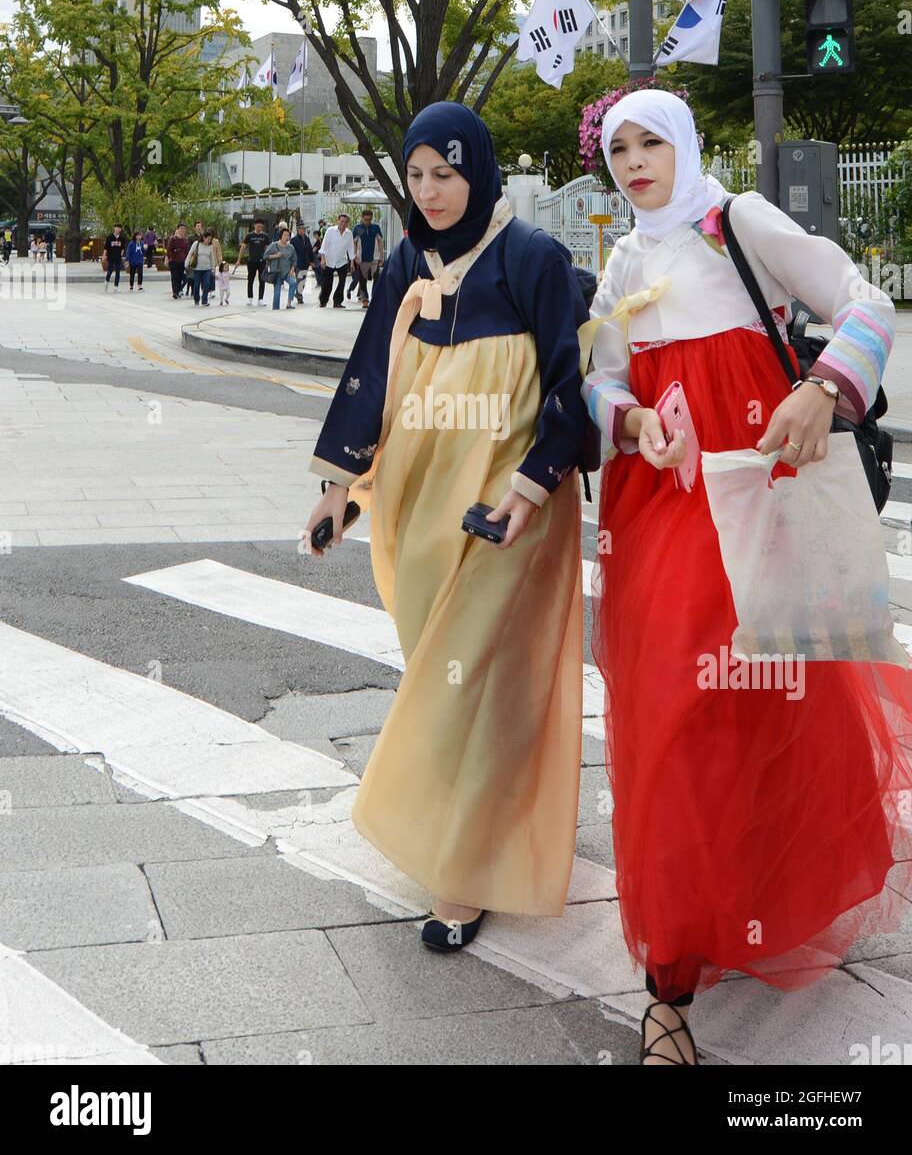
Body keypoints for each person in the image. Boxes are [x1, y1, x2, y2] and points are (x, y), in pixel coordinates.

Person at [583, 88, 912, 1066]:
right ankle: (669, 979)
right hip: (661, 512)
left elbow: (867, 298)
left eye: (652, 142)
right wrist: (632, 420)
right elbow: (597, 374)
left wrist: (823, 388)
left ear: (684, 145)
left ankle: (754, 899)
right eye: (620, 147)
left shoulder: (737, 221)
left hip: (758, 491)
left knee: (774, 706)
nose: (635, 161)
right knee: (670, 716)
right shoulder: (625, 257)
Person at [303, 101, 590, 953]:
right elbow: (370, 380)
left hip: (512, 512)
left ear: (481, 171)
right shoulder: (405, 264)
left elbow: (573, 389)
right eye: (417, 174)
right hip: (422, 507)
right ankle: (462, 826)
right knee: (442, 672)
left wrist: (534, 484)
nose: (430, 191)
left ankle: (462, 873)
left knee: (485, 680)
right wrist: (341, 491)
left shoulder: (534, 260)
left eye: (447, 172)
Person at [318, 212, 355, 308]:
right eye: (342, 221)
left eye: (345, 222)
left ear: (348, 223)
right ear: (338, 221)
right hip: (329, 260)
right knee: (327, 283)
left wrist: (352, 263)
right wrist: (322, 259)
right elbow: (324, 245)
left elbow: (351, 248)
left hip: (342, 261)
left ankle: (337, 301)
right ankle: (323, 301)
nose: (343, 224)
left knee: (342, 282)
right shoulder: (330, 231)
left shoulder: (349, 233)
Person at [354, 208, 384, 309]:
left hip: (374, 258)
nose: (368, 221)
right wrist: (355, 257)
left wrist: (381, 256)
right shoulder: (357, 228)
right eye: (366, 219)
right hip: (362, 258)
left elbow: (380, 242)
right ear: (362, 218)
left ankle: (375, 298)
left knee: (377, 278)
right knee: (363, 280)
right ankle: (364, 299)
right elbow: (354, 243)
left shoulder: (375, 227)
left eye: (369, 219)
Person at [237, 217, 270, 307]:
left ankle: (260, 299)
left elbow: (267, 249)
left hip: (262, 262)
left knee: (262, 280)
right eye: (258, 226)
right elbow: (243, 248)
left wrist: (268, 261)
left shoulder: (265, 236)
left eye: (261, 227)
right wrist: (239, 260)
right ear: (255, 225)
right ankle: (250, 298)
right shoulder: (249, 236)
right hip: (251, 261)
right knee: (250, 280)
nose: (259, 228)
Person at [185, 229, 222, 306]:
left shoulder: (210, 246)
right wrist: (186, 264)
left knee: (206, 284)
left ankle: (204, 301)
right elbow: (190, 254)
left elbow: (211, 258)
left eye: (210, 239)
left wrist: (213, 268)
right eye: (208, 239)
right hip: (197, 269)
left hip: (207, 269)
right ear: (204, 237)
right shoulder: (196, 244)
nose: (209, 241)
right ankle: (196, 300)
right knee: (197, 284)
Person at [263, 226, 297, 309]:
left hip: (287, 272)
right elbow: (265, 256)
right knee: (277, 292)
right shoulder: (273, 245)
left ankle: (289, 304)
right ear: (281, 236)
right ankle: (275, 308)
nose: (287, 237)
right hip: (277, 272)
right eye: (285, 235)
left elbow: (294, 259)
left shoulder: (291, 247)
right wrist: (276, 256)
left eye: (288, 236)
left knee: (293, 283)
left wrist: (292, 270)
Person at [291, 221, 315, 302]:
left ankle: (298, 293)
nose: (303, 230)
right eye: (302, 229)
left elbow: (310, 251)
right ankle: (299, 297)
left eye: (304, 229)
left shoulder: (307, 239)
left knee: (303, 281)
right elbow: (292, 252)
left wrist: (312, 261)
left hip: (305, 263)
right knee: (299, 280)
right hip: (298, 263)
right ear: (298, 230)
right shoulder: (294, 240)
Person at [166, 224, 190, 299]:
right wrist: (168, 258)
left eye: (184, 229)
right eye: (181, 228)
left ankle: (179, 290)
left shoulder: (185, 241)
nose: (182, 230)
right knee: (175, 277)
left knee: (181, 277)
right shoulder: (173, 239)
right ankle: (175, 292)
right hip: (174, 261)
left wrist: (187, 260)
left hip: (182, 261)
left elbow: (186, 252)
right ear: (177, 229)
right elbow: (169, 249)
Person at [103, 224, 126, 290]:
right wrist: (104, 256)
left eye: (119, 228)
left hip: (118, 257)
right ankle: (106, 281)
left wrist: (121, 254)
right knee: (110, 270)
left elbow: (123, 248)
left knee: (118, 272)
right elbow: (106, 248)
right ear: (114, 228)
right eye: (117, 228)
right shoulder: (109, 237)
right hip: (110, 257)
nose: (118, 229)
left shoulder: (122, 238)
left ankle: (116, 287)